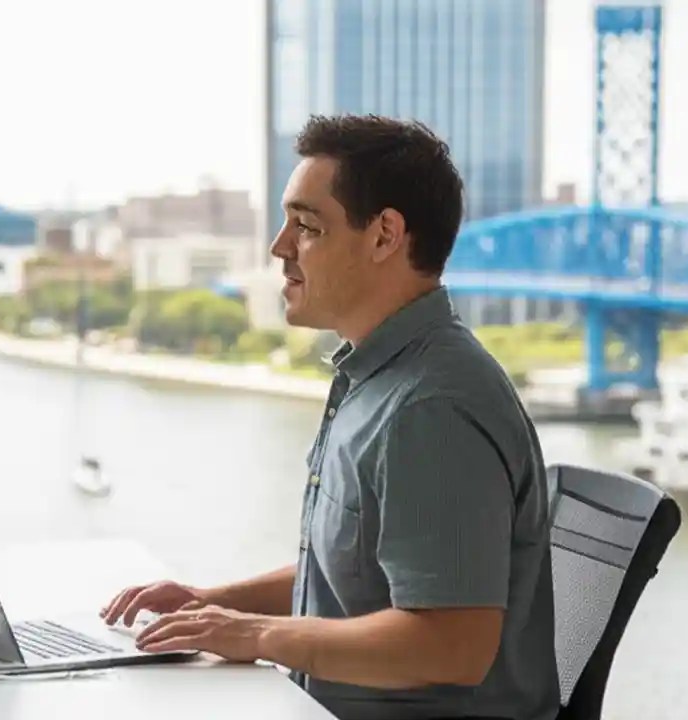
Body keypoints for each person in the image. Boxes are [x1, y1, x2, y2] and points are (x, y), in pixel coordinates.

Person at [101, 114, 559, 720]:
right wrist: (214, 606)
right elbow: (354, 575)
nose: (279, 247)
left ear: (383, 236)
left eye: (306, 226)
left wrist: (259, 636)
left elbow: (452, 646)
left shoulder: (432, 407)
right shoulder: (378, 377)